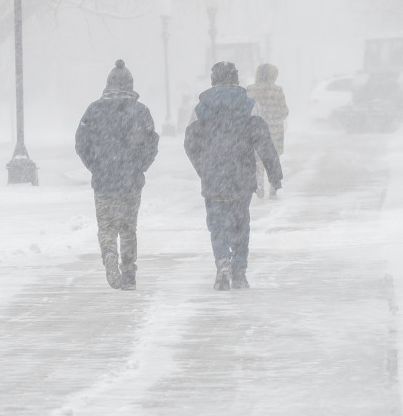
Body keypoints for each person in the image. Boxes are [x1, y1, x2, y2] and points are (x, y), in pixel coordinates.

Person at [184, 61, 283, 291]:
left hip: (214, 178)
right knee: (240, 224)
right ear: (236, 79)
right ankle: (239, 272)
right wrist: (274, 174)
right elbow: (264, 142)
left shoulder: (200, 108)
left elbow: (189, 143)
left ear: (213, 80)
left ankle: (222, 262)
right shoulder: (249, 105)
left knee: (217, 224)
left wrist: (204, 167)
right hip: (241, 176)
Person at [75, 60, 160, 290]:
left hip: (103, 180)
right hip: (131, 180)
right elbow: (152, 143)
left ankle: (110, 254)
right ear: (131, 85)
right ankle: (129, 271)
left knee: (106, 226)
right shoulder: (141, 111)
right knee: (128, 227)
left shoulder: (93, 110)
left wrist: (95, 165)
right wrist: (140, 166)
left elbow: (81, 143)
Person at [245, 63, 289, 198]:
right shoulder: (277, 90)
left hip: (255, 130)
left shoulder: (249, 90)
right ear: (271, 75)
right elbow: (284, 111)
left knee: (257, 160)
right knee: (272, 160)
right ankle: (273, 188)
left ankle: (258, 183)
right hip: (273, 131)